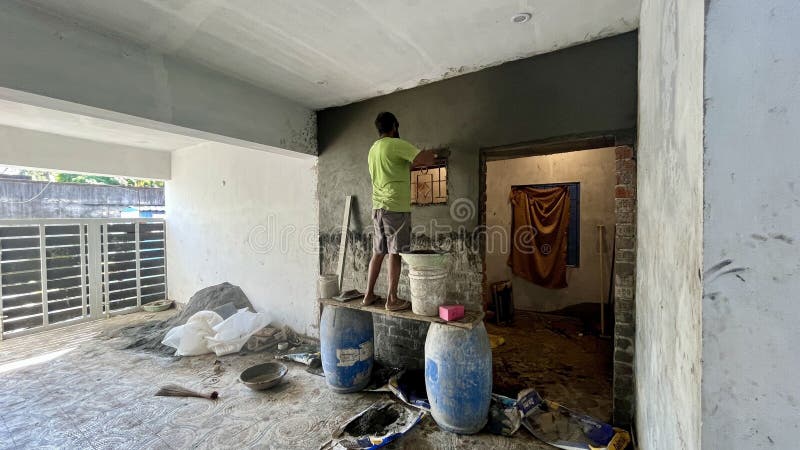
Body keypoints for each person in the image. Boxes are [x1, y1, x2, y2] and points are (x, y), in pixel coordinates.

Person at [363, 112, 436, 311]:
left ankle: (368, 295)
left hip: (378, 207)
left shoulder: (373, 149)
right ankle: (392, 299)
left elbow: (392, 169)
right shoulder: (396, 144)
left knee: (378, 253)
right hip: (395, 208)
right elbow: (425, 159)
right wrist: (433, 154)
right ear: (394, 126)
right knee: (395, 253)